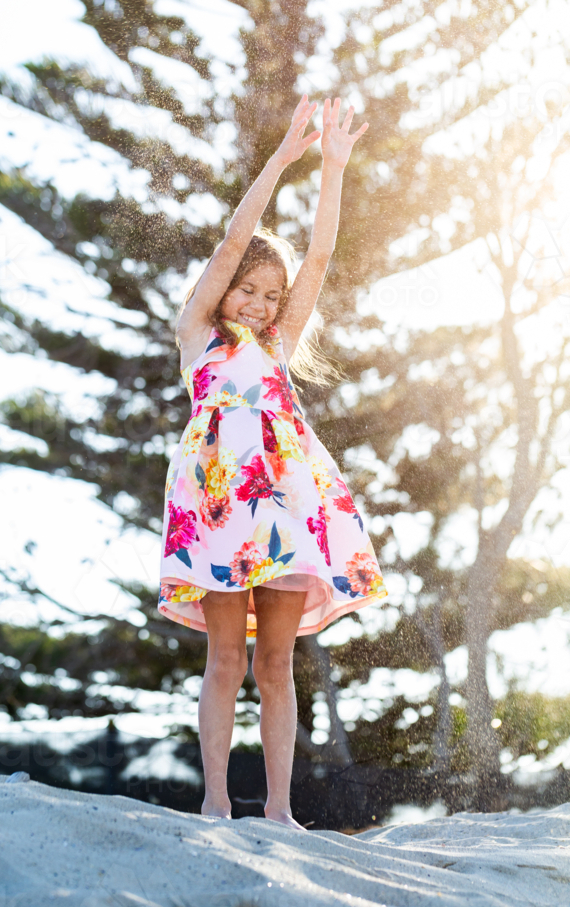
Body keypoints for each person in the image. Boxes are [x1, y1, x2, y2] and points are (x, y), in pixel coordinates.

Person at [159, 95, 387, 830]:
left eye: (269, 296)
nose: (256, 303)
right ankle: (217, 801)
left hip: (285, 505)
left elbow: (318, 254)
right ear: (221, 289)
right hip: (221, 506)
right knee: (225, 659)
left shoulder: (279, 343)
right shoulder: (198, 334)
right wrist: (282, 157)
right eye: (246, 290)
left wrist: (332, 168)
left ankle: (282, 810)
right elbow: (233, 240)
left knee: (276, 664)